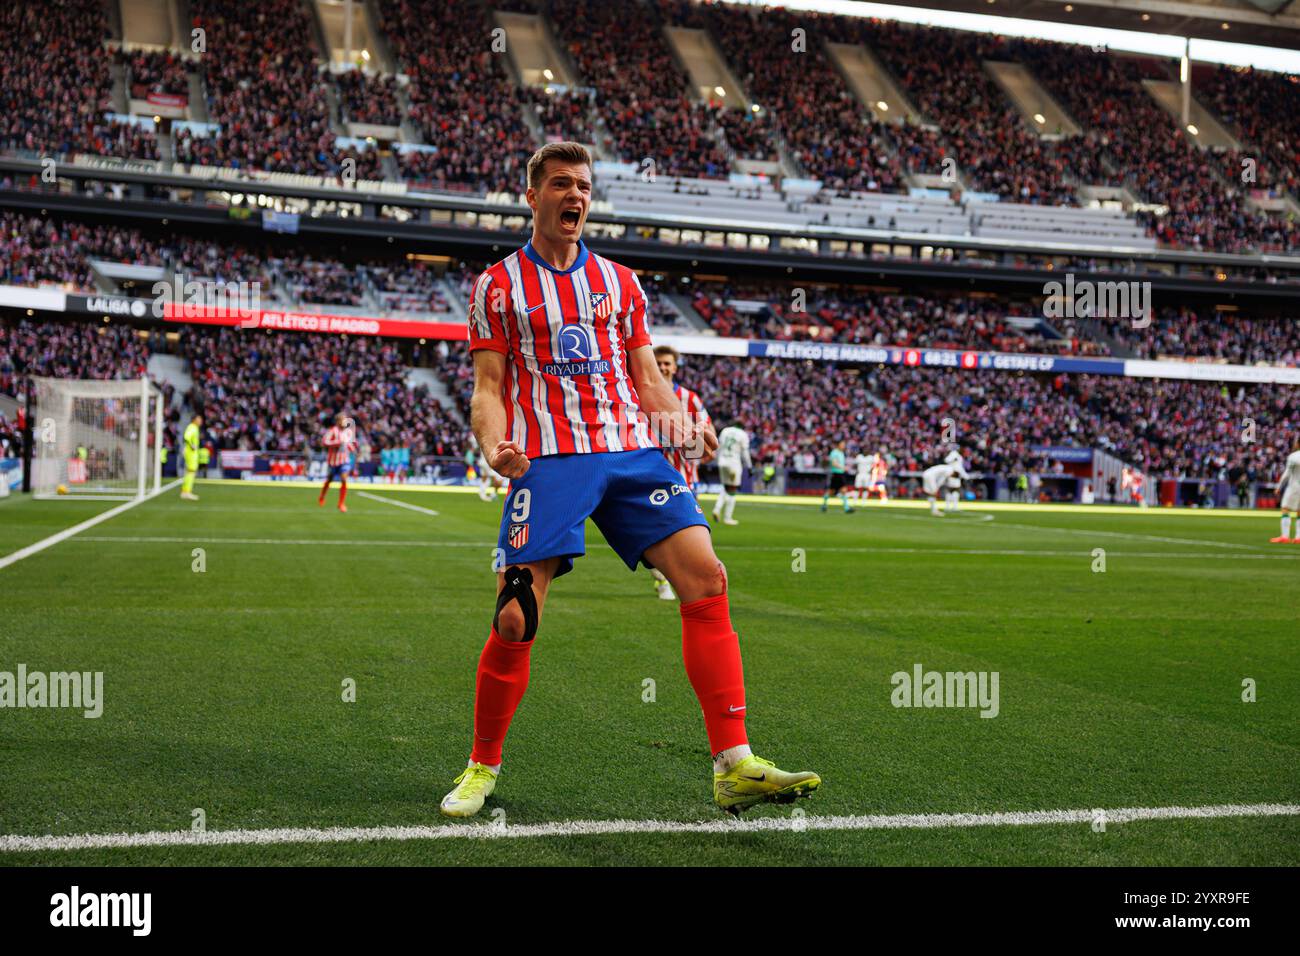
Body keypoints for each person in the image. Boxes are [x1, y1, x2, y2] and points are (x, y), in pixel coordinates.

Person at [439, 142, 819, 820]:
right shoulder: (498, 285)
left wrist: (681, 427)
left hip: (632, 453)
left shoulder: (620, 282)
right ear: (533, 197)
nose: (574, 194)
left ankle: (733, 765)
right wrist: (492, 441)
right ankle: (482, 765)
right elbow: (488, 385)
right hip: (549, 458)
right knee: (516, 615)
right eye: (560, 183)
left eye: (583, 184)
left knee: (706, 577)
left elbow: (648, 380)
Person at [651, 344, 711, 599]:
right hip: (650, 476)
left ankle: (682, 581)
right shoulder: (637, 396)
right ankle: (661, 579)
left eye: (667, 363)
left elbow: (707, 436)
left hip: (685, 478)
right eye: (659, 363)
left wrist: (698, 448)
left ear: (675, 367)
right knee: (653, 534)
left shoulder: (690, 399)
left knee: (689, 535)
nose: (664, 368)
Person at [711, 420, 751, 526]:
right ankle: (728, 518)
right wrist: (750, 466)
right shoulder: (743, 434)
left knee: (725, 487)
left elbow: (718, 446)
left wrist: (717, 460)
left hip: (722, 462)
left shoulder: (725, 431)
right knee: (732, 490)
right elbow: (745, 452)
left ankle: (717, 509)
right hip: (734, 463)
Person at [318, 414, 356, 512]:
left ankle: (341, 503)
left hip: (344, 461)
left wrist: (352, 449)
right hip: (333, 461)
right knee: (329, 480)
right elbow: (324, 442)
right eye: (343, 420)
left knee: (344, 479)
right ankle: (322, 496)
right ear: (338, 421)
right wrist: (336, 442)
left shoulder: (347, 432)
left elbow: (349, 445)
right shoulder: (332, 431)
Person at [1269, 445, 1300, 543]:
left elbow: (1287, 473)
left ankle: (1285, 536)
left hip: (1295, 486)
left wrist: (1279, 487)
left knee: (1285, 508)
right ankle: (1298, 537)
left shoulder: (1294, 456)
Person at [820, 440, 853, 513]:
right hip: (836, 474)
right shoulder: (834, 453)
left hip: (841, 474)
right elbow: (834, 463)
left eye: (844, 444)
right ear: (838, 445)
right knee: (831, 491)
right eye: (842, 444)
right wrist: (843, 467)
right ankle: (824, 505)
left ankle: (846, 508)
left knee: (844, 490)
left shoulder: (841, 453)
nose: (844, 446)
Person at [180, 413, 202, 501]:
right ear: (194, 420)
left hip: (192, 453)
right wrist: (192, 445)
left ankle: (185, 491)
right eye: (199, 419)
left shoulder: (195, 428)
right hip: (190, 453)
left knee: (190, 472)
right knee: (191, 472)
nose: (200, 421)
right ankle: (187, 492)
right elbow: (186, 437)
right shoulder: (192, 427)